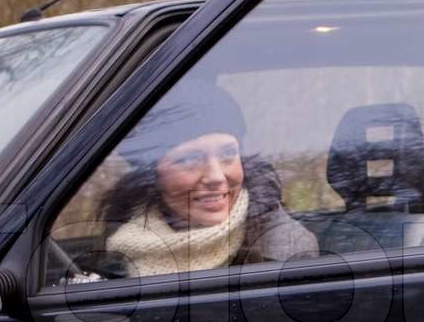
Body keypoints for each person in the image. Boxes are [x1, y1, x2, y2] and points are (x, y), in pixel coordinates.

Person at [95, 87, 317, 278]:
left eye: (228, 153)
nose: (216, 177)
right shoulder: (121, 239)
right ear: (153, 174)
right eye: (190, 159)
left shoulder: (284, 250)